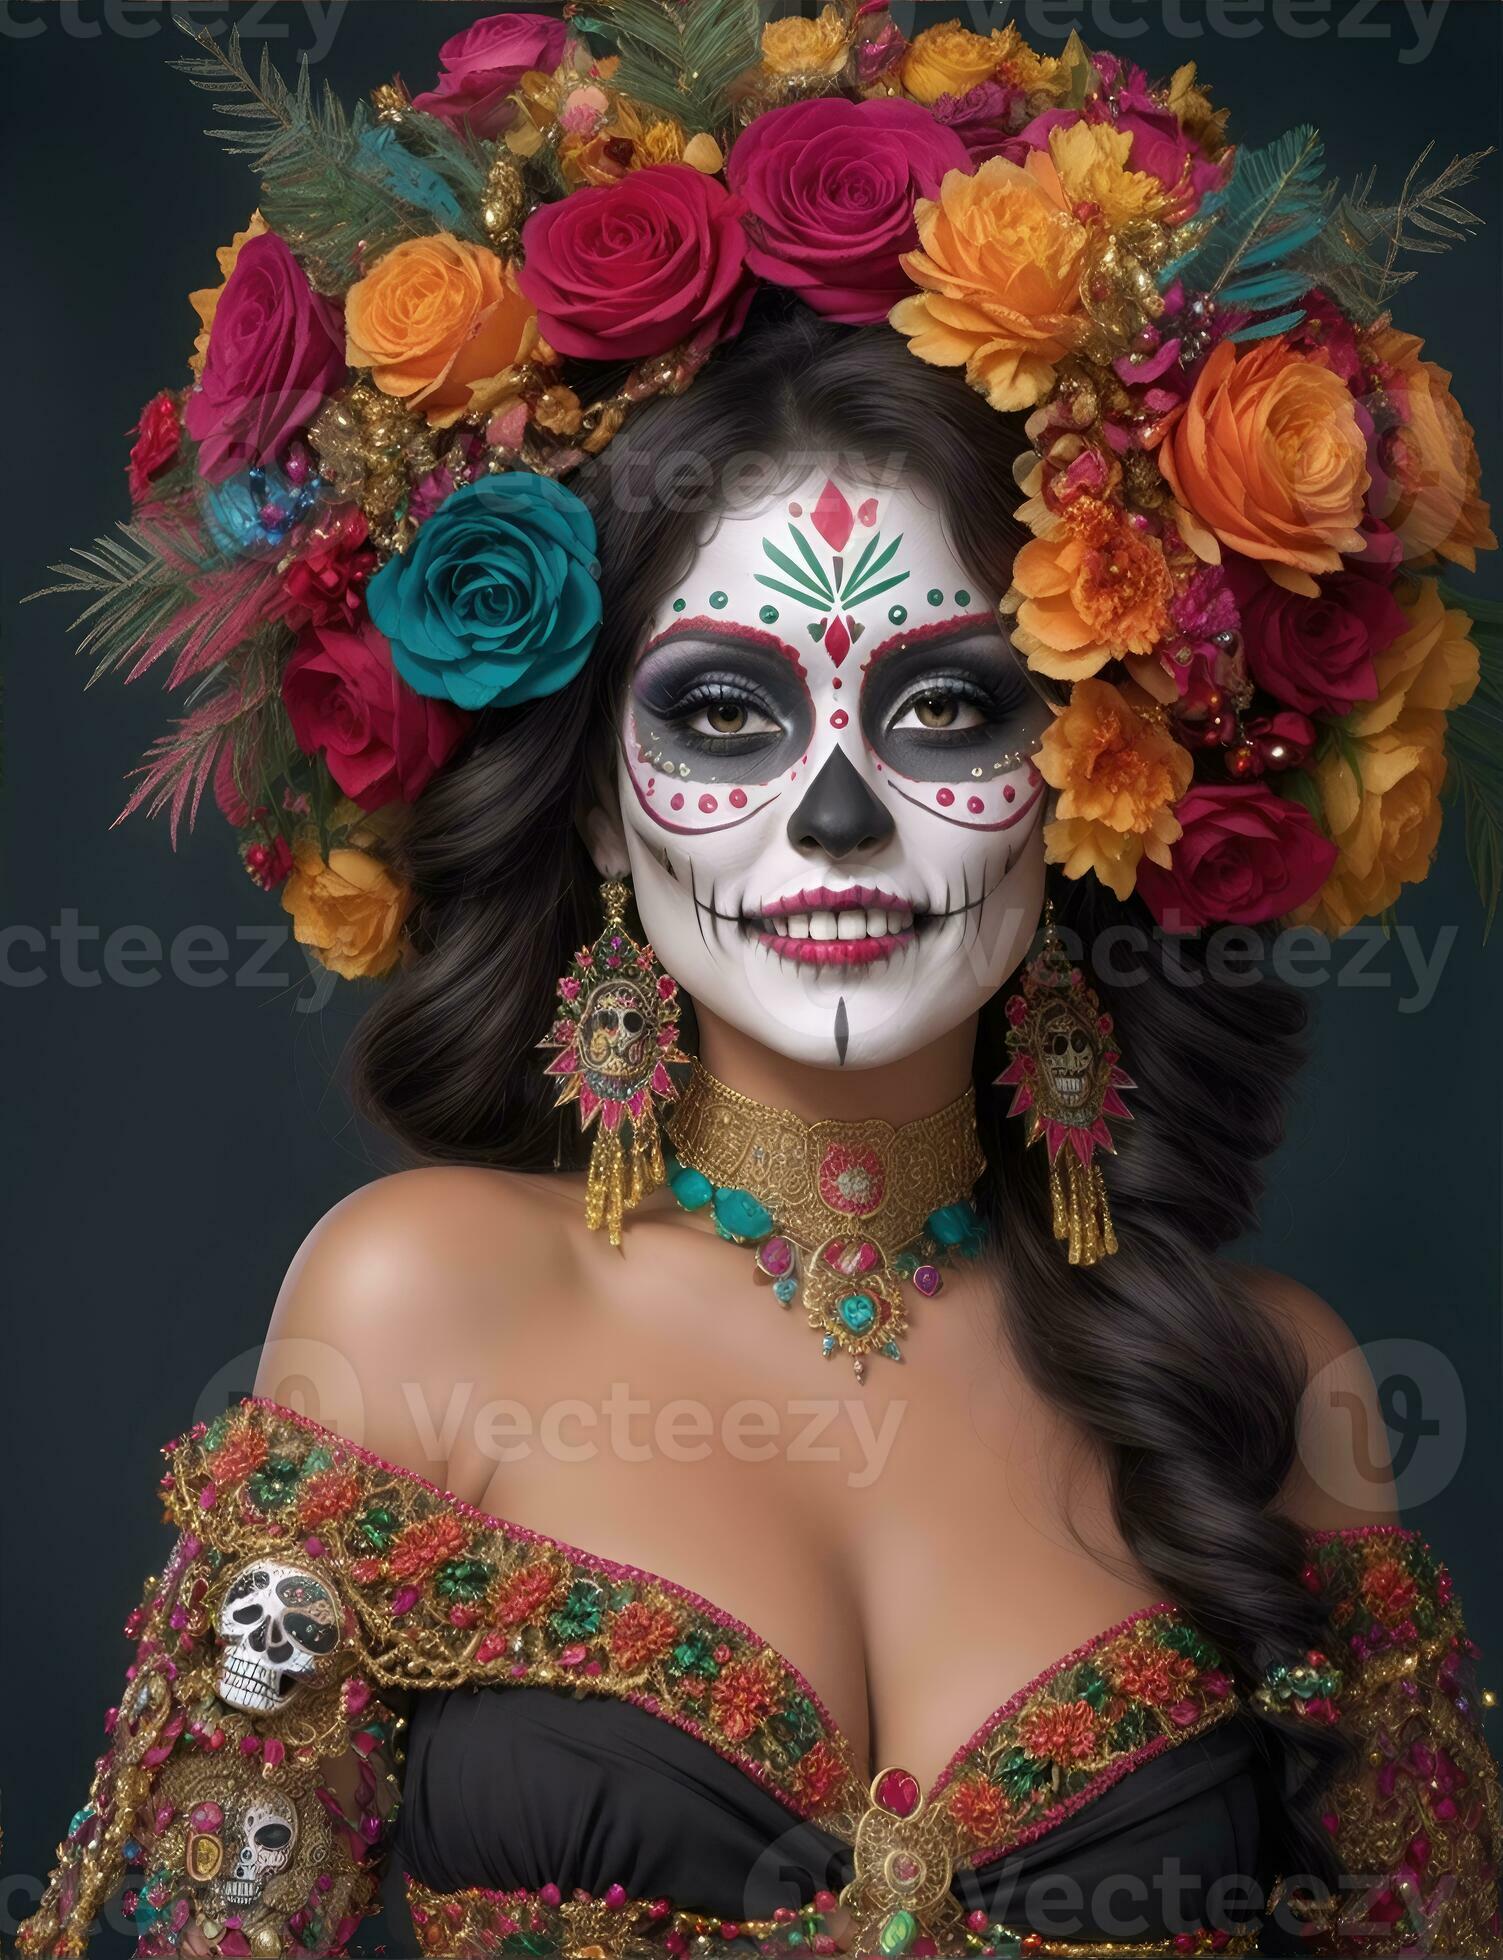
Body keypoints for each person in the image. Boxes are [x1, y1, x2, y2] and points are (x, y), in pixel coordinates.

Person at [21, 9, 1500, 1958]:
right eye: (720, 712)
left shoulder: (1267, 1386)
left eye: (943, 705)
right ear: (606, 819)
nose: (829, 814)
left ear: (1087, 772)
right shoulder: (419, 1303)